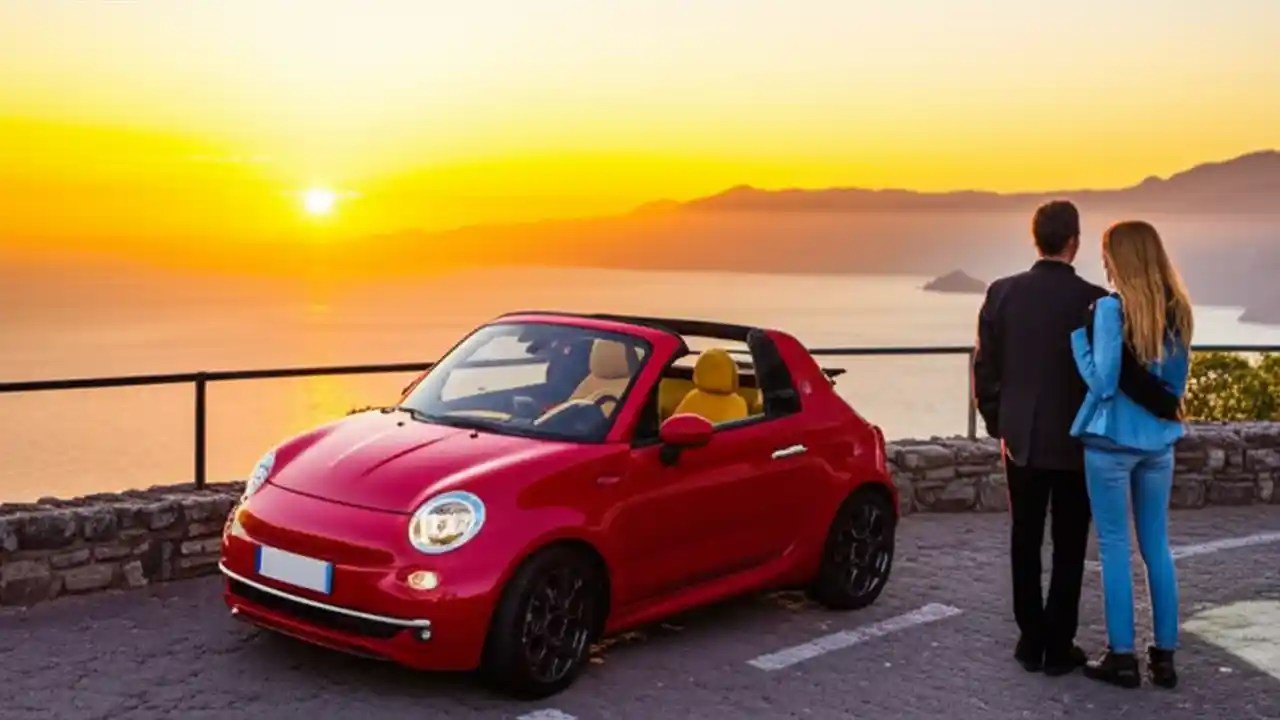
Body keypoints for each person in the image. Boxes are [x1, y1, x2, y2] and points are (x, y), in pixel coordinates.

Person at [972, 200, 1107, 676]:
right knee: (1070, 543)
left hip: (1021, 439)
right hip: (1076, 440)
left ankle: (1030, 638)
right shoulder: (1095, 300)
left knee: (1025, 539)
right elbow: (1106, 375)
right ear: (1074, 240)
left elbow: (984, 368)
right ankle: (1057, 645)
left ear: (1037, 238)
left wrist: (998, 423)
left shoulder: (1002, 293)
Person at [1070, 220, 1192, 690]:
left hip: (1110, 444)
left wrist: (1078, 342)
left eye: (1107, 253)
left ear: (1118, 259)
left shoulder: (1108, 310)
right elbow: (1173, 389)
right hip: (1159, 444)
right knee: (1156, 548)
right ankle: (1164, 658)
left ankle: (1122, 658)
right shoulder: (1179, 310)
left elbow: (1102, 384)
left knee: (1115, 548)